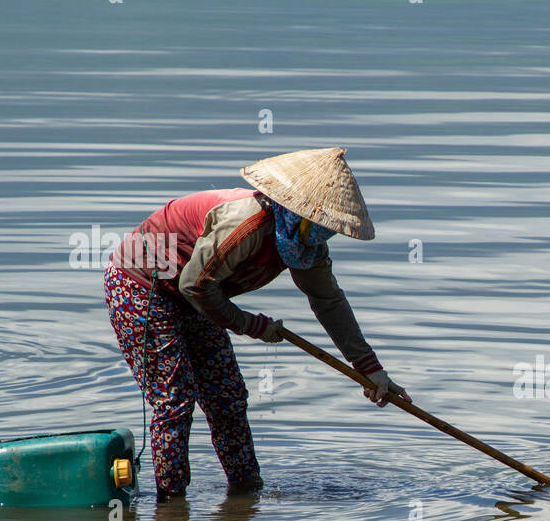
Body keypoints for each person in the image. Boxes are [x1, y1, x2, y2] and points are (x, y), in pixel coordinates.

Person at [103, 147, 409, 500]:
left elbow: (329, 302)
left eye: (329, 231)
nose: (322, 238)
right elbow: (194, 286)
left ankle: (245, 495)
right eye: (318, 227)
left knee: (228, 398)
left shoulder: (304, 245)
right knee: (175, 401)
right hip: (143, 284)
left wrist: (369, 369)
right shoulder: (245, 225)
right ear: (297, 213)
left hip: (198, 296)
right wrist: (252, 325)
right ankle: (171, 509)